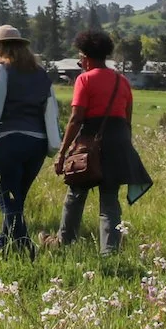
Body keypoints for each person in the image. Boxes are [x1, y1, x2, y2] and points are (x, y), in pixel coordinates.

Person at [55, 30, 152, 255]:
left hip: (90, 145)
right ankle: (109, 253)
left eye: (80, 57)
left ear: (87, 58)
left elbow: (77, 117)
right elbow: (127, 119)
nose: (80, 62)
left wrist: (63, 152)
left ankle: (63, 243)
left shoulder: (84, 79)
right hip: (118, 143)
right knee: (109, 202)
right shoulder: (123, 82)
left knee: (76, 194)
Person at [0, 25, 59, 257]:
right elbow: (51, 110)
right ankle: (2, 248)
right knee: (16, 200)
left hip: (8, 142)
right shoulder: (42, 74)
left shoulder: (3, 70)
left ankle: (28, 249)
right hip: (37, 145)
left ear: (0, 47)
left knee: (9, 203)